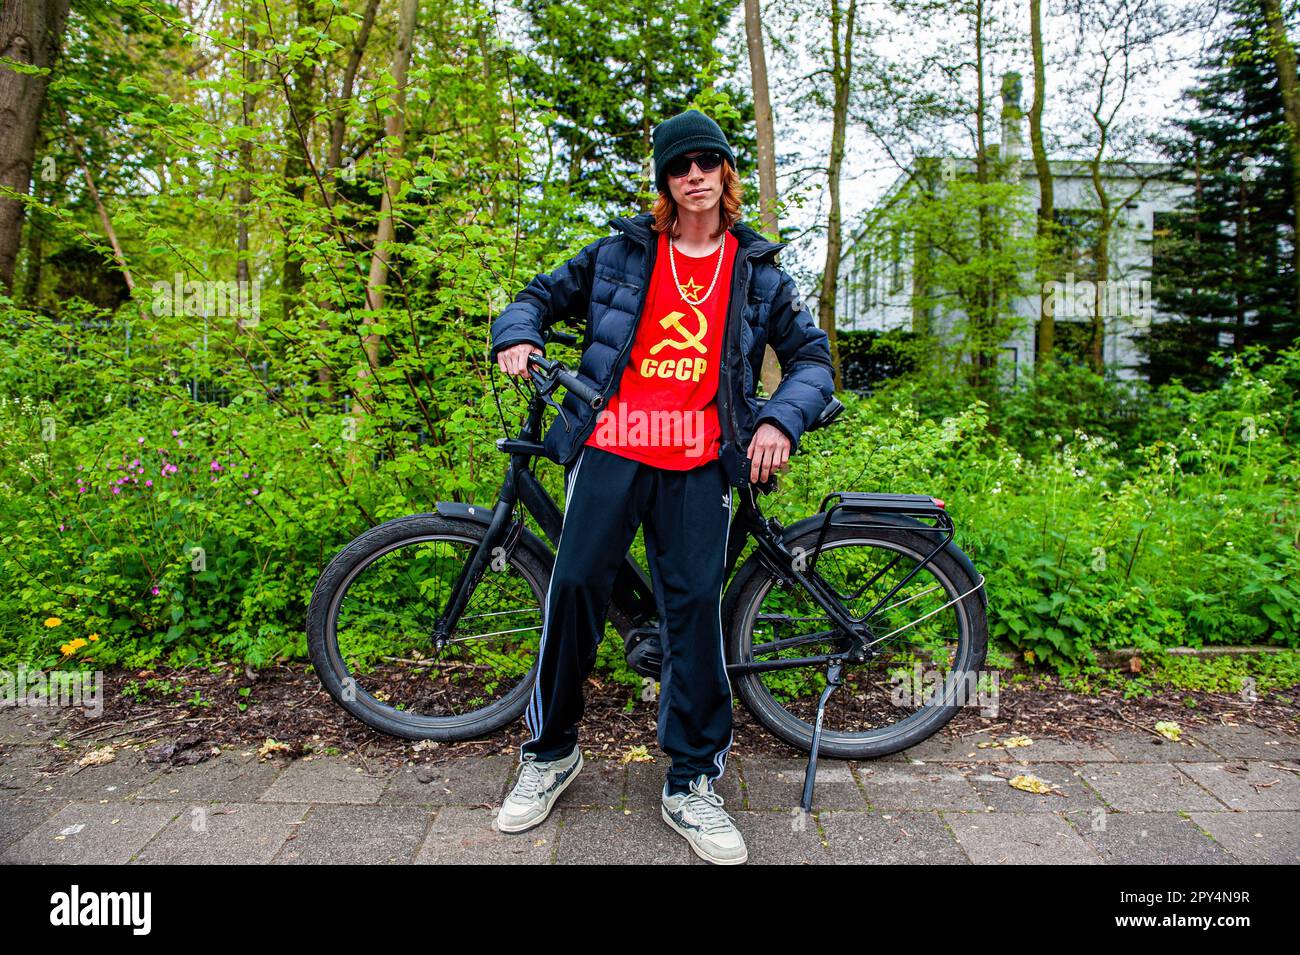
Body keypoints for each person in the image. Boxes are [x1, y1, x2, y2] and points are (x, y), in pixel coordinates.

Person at [488, 108, 834, 864]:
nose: (694, 175)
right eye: (680, 166)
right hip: (611, 448)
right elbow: (537, 296)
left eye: (707, 161)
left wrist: (780, 421)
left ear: (725, 172)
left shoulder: (758, 271)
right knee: (574, 590)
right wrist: (517, 333)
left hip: (700, 461)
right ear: (665, 181)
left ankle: (691, 782)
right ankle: (549, 755)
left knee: (693, 613)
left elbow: (812, 359)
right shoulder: (620, 253)